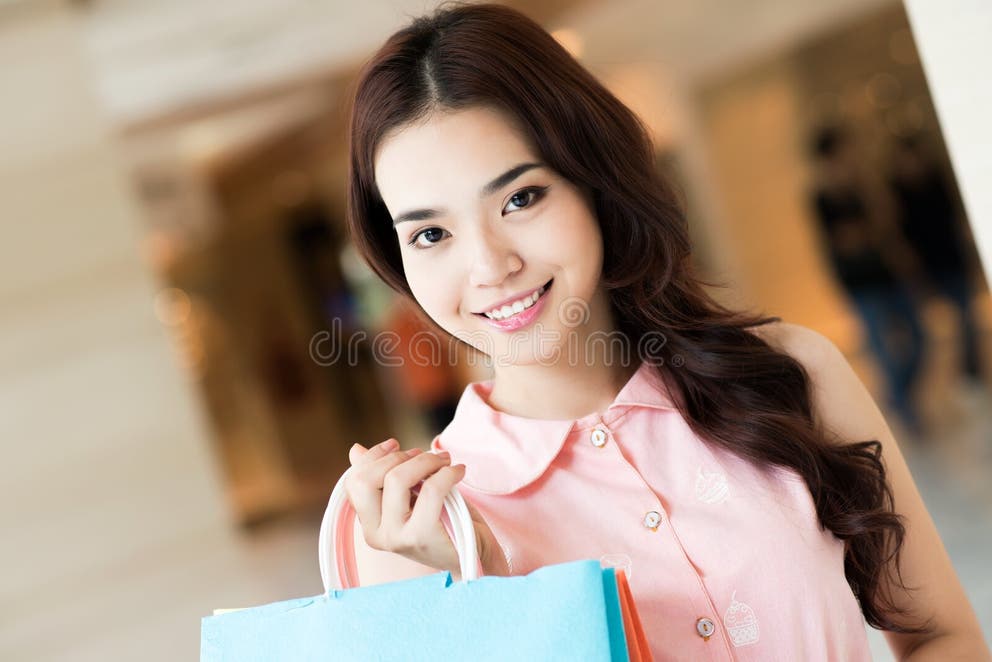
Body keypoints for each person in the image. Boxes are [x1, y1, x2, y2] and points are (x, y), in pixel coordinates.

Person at [340, 4, 989, 660]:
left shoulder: (794, 373)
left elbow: (944, 638)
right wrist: (488, 587)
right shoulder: (415, 536)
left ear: (593, 180)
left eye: (520, 198)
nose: (489, 267)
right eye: (431, 234)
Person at [808, 126, 927, 434]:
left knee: (919, 337)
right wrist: (868, 231)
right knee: (883, 350)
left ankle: (898, 396)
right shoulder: (823, 199)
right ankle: (906, 407)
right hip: (859, 284)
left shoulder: (864, 189)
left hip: (889, 275)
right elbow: (845, 241)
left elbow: (887, 226)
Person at [888, 133, 984, 385]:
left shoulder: (937, 181)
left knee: (967, 319)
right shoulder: (898, 192)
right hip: (928, 268)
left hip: (952, 260)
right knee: (927, 330)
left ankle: (971, 372)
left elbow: (955, 220)